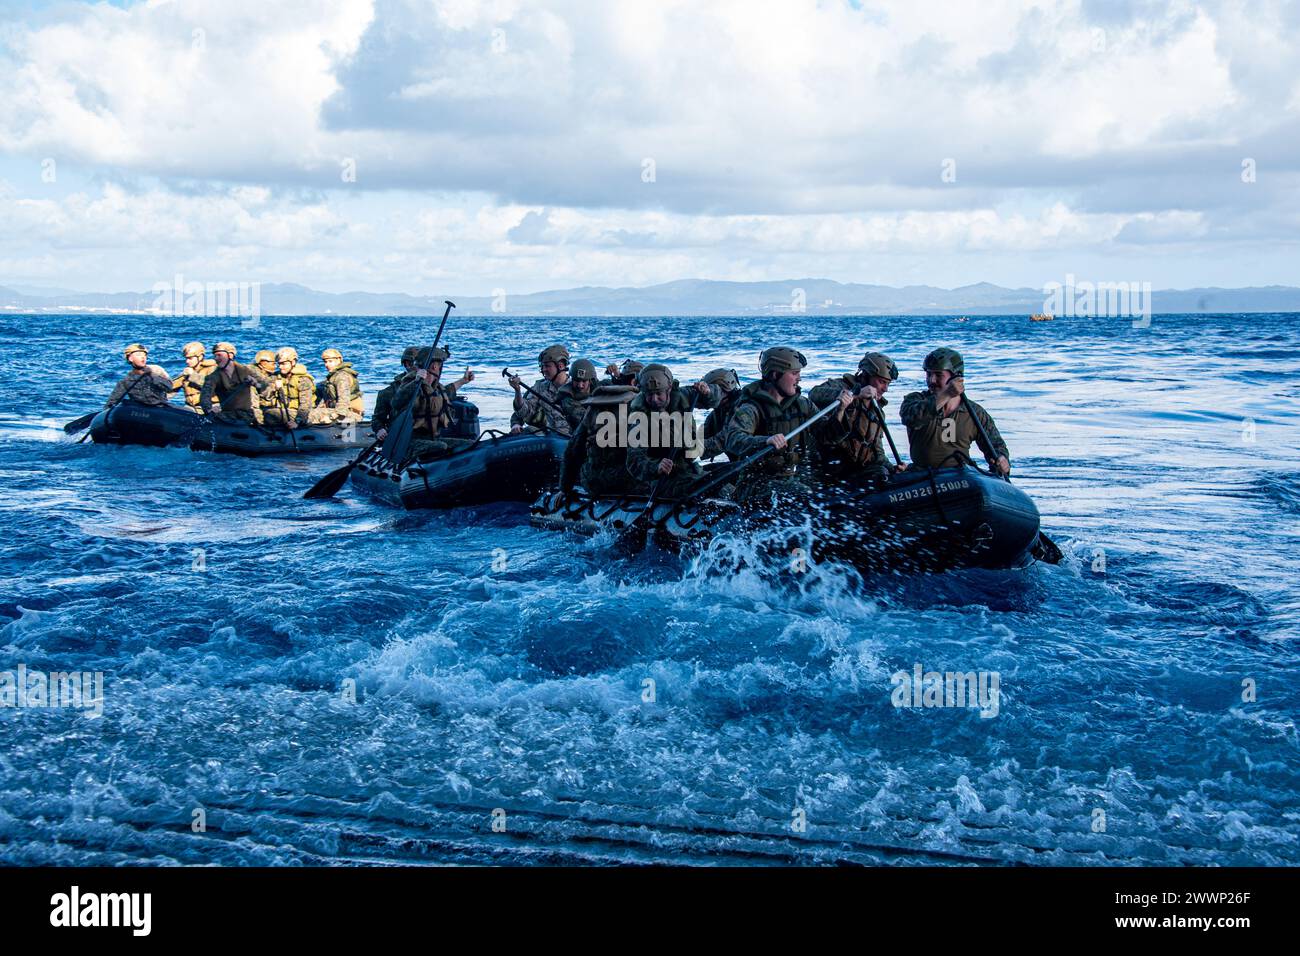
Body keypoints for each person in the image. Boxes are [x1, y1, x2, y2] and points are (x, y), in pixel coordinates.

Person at [721, 347, 852, 505]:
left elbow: (828, 437)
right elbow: (733, 439)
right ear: (775, 375)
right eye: (794, 373)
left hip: (789, 478)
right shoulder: (752, 407)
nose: (799, 379)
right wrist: (766, 441)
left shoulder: (802, 404)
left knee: (827, 497)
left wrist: (840, 411)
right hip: (755, 485)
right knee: (807, 499)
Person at [899, 347, 1010, 475]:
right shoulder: (915, 400)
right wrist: (946, 395)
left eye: (938, 375)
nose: (931, 380)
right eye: (929, 374)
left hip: (961, 476)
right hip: (923, 476)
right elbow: (912, 418)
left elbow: (996, 445)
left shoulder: (975, 413)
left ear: (956, 377)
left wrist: (1002, 460)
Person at [808, 351, 904, 483]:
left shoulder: (877, 411)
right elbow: (814, 394)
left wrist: (894, 469)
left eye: (888, 384)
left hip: (856, 472)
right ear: (866, 376)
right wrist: (855, 395)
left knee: (882, 473)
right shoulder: (840, 387)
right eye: (882, 382)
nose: (885, 389)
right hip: (827, 468)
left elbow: (877, 451)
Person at [624, 364, 704, 499]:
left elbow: (713, 399)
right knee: (699, 488)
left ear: (669, 389)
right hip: (662, 480)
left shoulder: (682, 396)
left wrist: (708, 391)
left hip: (689, 469)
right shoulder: (639, 418)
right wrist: (656, 467)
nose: (654, 399)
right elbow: (634, 461)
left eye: (659, 394)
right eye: (649, 395)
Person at [384, 346, 475, 460]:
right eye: (440, 364)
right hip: (410, 441)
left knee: (470, 444)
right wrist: (417, 382)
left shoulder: (436, 386)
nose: (441, 367)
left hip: (432, 438)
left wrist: (463, 381)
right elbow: (397, 402)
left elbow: (446, 393)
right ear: (434, 366)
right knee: (440, 446)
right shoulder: (411, 381)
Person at [560, 385, 644, 497]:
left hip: (592, 481)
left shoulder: (590, 412)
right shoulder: (635, 411)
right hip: (625, 482)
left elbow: (572, 452)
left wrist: (564, 489)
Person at [199, 342, 273, 424]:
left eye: (219, 355)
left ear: (230, 355)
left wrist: (256, 384)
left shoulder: (245, 370)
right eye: (215, 356)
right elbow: (204, 397)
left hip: (247, 415)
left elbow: (265, 385)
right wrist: (210, 409)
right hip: (227, 415)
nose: (216, 359)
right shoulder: (213, 377)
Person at [509, 344, 572, 435]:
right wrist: (517, 390)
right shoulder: (540, 387)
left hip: (573, 439)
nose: (543, 370)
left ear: (561, 366)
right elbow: (524, 412)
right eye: (542, 366)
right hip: (551, 438)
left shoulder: (577, 386)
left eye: (547, 366)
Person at [371, 346, 419, 437]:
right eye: (418, 364)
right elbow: (377, 419)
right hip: (402, 436)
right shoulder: (390, 392)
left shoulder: (431, 387)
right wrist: (380, 429)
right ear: (407, 364)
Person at [695, 367, 742, 460]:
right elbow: (702, 437)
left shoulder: (743, 408)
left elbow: (724, 440)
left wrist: (691, 447)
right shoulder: (717, 414)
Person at [107, 344, 173, 407]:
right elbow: (112, 402)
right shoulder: (126, 381)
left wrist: (153, 376)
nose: (143, 357)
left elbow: (169, 387)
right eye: (138, 355)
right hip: (139, 411)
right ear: (130, 358)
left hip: (160, 407)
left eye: (144, 355)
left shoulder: (157, 370)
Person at [312, 348, 363, 423]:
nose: (327, 365)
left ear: (339, 360)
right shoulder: (333, 377)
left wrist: (330, 417)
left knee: (312, 416)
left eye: (330, 361)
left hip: (350, 413)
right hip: (339, 411)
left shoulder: (342, 377)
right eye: (325, 362)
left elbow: (344, 402)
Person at [269, 347, 315, 428]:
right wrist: (274, 388)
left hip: (299, 413)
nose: (280, 367)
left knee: (271, 414)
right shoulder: (276, 377)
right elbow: (267, 396)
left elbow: (305, 406)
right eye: (279, 364)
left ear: (293, 362)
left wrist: (297, 422)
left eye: (283, 364)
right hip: (284, 410)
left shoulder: (303, 380)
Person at [170, 341, 216, 413]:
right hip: (190, 408)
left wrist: (193, 375)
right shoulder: (187, 372)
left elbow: (211, 386)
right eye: (186, 358)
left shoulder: (212, 369)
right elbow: (171, 387)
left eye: (190, 358)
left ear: (200, 357)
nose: (187, 361)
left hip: (211, 408)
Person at [555, 358, 599, 431]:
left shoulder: (598, 387)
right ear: (572, 379)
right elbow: (588, 421)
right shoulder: (567, 399)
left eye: (584, 381)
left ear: (590, 380)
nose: (580, 385)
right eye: (577, 380)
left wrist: (618, 376)